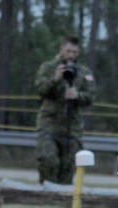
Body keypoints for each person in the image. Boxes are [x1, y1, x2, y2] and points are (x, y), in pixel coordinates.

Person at [34, 36, 96, 185]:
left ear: (78, 52)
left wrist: (77, 95)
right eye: (68, 51)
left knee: (68, 166)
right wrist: (54, 79)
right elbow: (40, 90)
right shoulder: (48, 67)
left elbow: (91, 96)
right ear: (62, 48)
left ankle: (61, 200)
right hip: (50, 122)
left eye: (74, 52)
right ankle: (46, 192)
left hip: (72, 126)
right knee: (48, 159)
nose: (71, 55)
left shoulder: (84, 72)